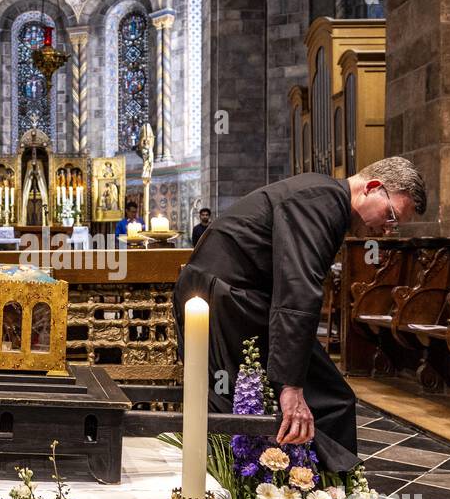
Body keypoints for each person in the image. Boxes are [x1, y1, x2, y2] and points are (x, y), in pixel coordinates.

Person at [173, 157, 426, 472]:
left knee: (314, 396)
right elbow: (299, 289)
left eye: (396, 225)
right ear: (372, 188)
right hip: (227, 298)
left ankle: (295, 490)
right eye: (391, 216)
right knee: (320, 399)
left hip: (228, 296)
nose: (388, 230)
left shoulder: (323, 198)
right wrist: (291, 387)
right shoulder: (324, 201)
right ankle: (311, 495)